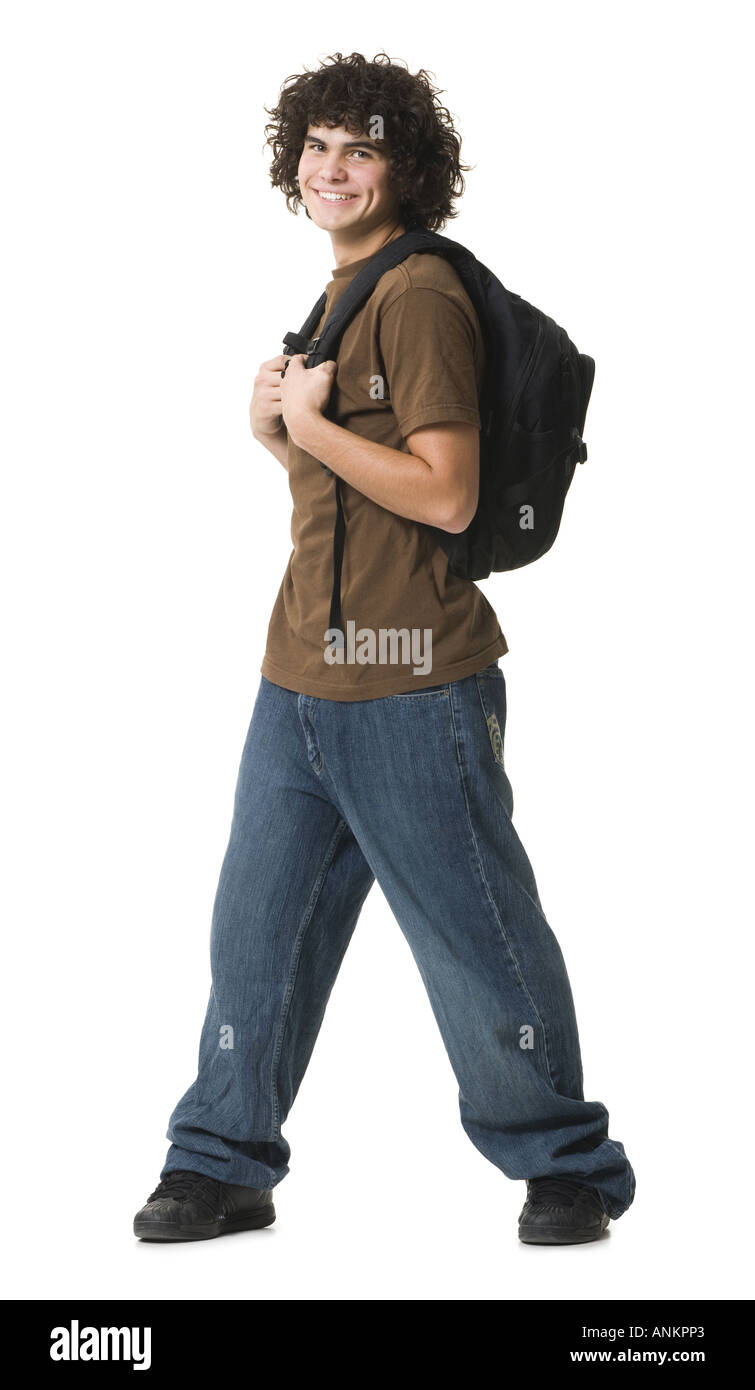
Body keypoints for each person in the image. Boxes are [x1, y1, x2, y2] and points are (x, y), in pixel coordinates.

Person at [133, 51, 635, 1246]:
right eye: (314, 147)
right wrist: (276, 435)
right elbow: (353, 501)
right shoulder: (336, 295)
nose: (331, 169)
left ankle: (565, 1165)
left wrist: (306, 419)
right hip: (298, 677)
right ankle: (219, 1163)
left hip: (413, 679)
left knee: (476, 940)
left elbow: (447, 495)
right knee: (254, 937)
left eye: (358, 148)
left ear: (404, 166)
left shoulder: (412, 296)